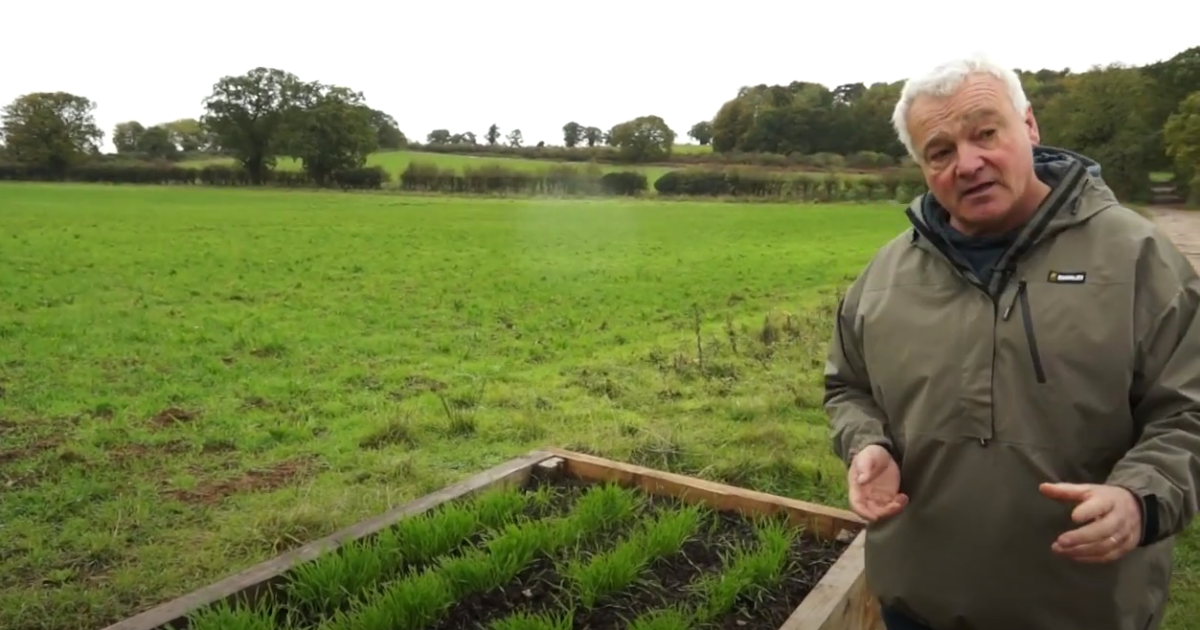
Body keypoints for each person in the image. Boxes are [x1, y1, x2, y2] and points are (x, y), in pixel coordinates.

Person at [823, 53, 1200, 630]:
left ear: (1028, 126)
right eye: (940, 151)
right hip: (918, 607)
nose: (968, 163)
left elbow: (1188, 412)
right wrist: (866, 443)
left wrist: (1139, 497)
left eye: (985, 133)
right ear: (922, 166)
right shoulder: (884, 277)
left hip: (1082, 610)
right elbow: (847, 387)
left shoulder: (1138, 260)